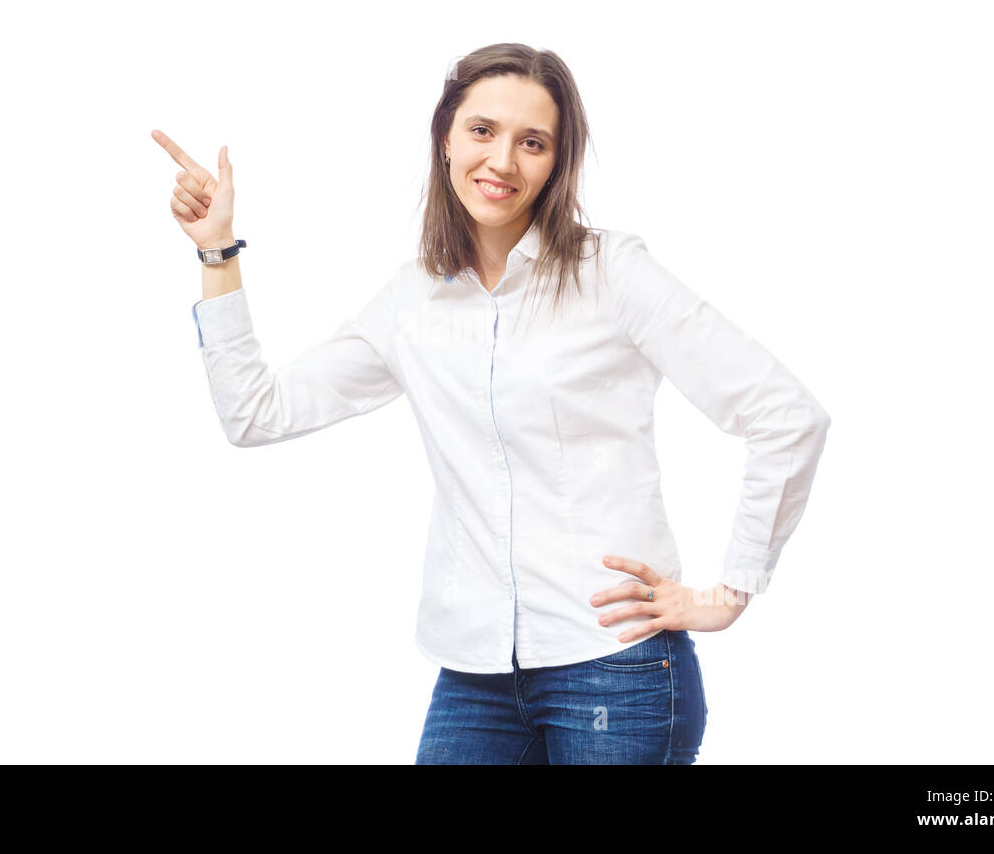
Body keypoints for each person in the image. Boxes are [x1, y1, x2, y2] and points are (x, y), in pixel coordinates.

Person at [152, 43, 831, 765]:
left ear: (556, 162)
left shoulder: (613, 274)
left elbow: (787, 415)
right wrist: (218, 252)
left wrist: (733, 588)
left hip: (615, 668)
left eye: (531, 142)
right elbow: (256, 414)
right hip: (474, 675)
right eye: (482, 131)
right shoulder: (412, 300)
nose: (502, 162)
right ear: (445, 138)